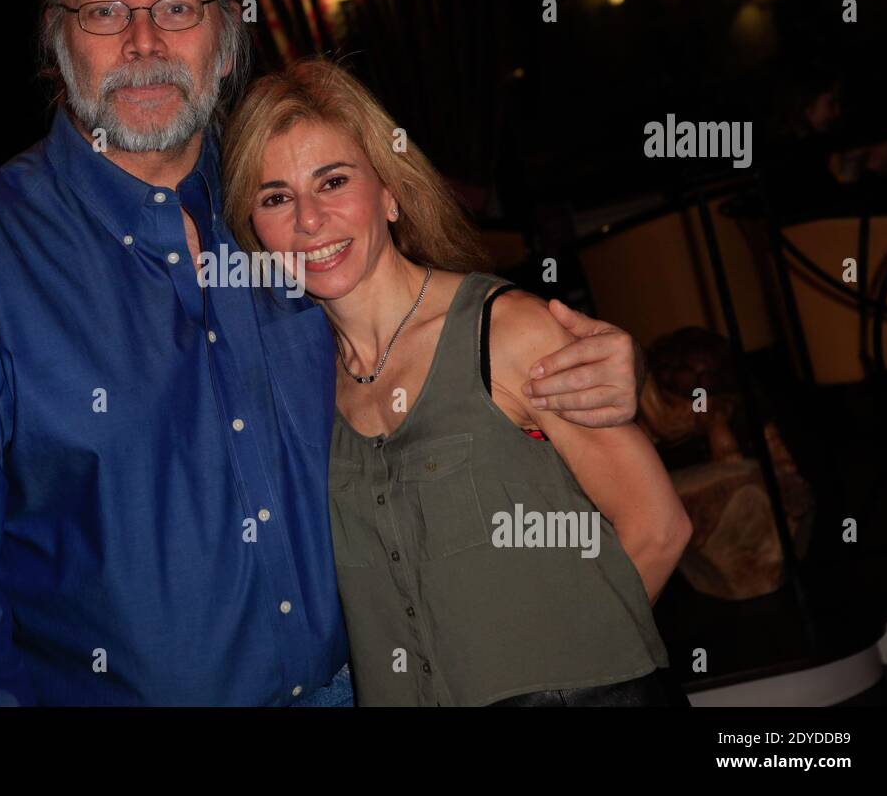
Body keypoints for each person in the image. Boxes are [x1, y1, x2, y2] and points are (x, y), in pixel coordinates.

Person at [0, 0, 646, 706]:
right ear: (57, 45)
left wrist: (587, 375)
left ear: (227, 39)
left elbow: (443, 356)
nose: (143, 40)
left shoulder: (289, 213)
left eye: (177, 6)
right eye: (103, 12)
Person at [222, 56, 693, 706]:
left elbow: (657, 526)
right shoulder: (299, 389)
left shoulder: (506, 333)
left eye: (332, 182)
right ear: (254, 231)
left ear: (388, 192)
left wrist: (571, 676)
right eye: (276, 197)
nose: (308, 219)